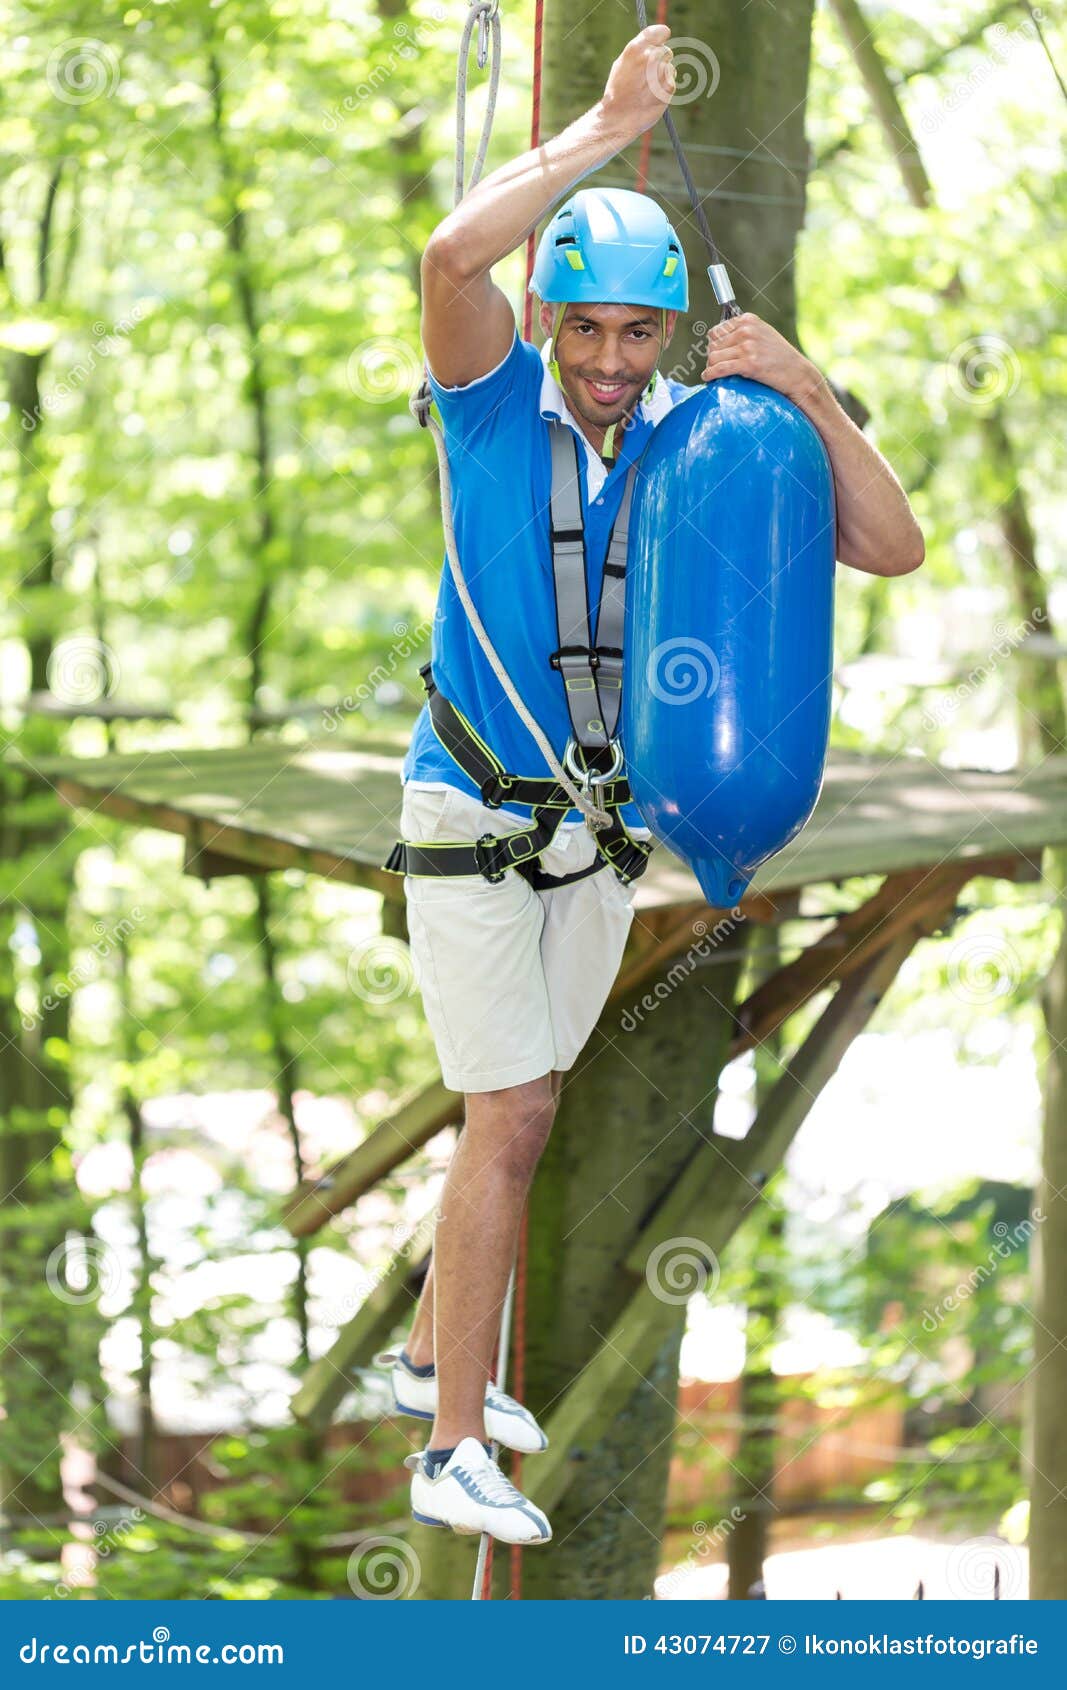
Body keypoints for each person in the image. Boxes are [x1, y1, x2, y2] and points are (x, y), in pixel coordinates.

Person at [380, 22, 925, 1546]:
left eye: (640, 336)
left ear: (672, 339)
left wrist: (807, 390)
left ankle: (431, 1350)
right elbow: (447, 250)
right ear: (550, 323)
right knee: (513, 1114)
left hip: (598, 840)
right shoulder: (487, 402)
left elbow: (892, 546)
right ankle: (445, 1440)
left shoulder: (704, 445)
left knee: (525, 1114)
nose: (613, 364)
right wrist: (609, 131)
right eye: (589, 330)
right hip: (477, 815)